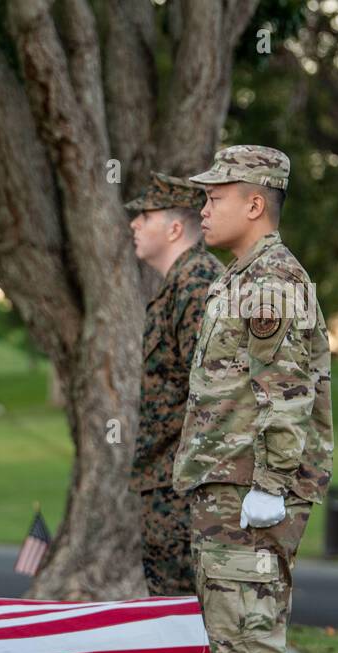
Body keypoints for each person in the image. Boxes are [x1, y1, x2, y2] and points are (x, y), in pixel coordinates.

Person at [173, 145, 334, 653]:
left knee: (250, 649)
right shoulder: (242, 276)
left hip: (249, 490)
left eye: (215, 198)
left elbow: (287, 393)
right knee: (232, 645)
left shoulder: (269, 281)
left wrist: (270, 486)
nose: (203, 210)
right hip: (229, 487)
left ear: (254, 205)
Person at [125, 172, 224, 596]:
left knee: (186, 613)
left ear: (175, 227)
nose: (133, 224)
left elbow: (211, 391)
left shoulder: (197, 282)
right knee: (174, 611)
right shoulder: (180, 283)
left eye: (144, 215)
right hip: (169, 480)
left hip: (187, 488)